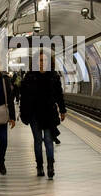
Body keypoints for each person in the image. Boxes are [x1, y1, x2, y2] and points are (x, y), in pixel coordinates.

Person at [19, 50, 66, 178]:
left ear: (49, 62)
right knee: (38, 140)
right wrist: (23, 114)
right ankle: (39, 166)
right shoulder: (29, 77)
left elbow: (59, 95)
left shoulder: (54, 77)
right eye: (39, 60)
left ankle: (50, 166)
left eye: (44, 60)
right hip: (34, 114)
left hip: (49, 113)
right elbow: (24, 97)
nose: (42, 63)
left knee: (49, 140)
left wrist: (62, 110)